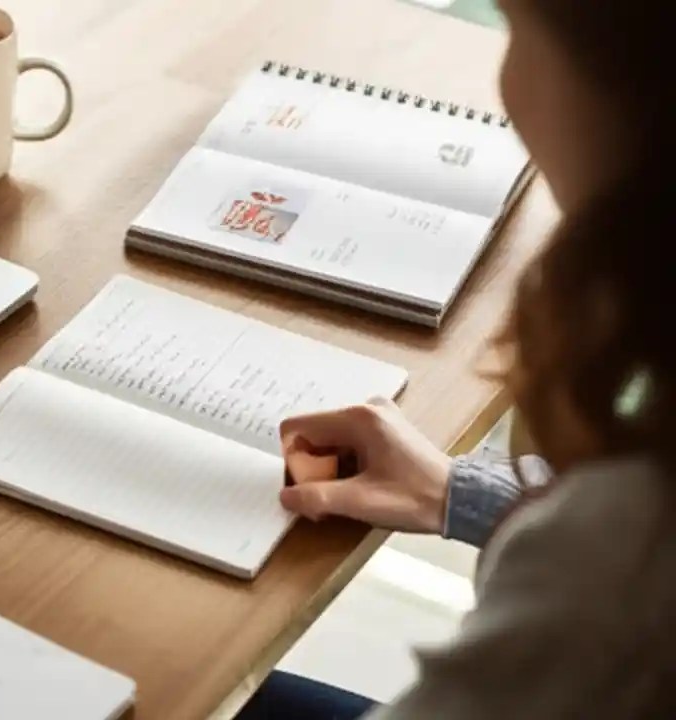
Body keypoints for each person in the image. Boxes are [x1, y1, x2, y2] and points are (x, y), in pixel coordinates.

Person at [237, 0, 675, 717]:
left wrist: (570, 536)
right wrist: (458, 491)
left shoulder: (623, 569)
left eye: (515, 30)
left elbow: (612, 576)